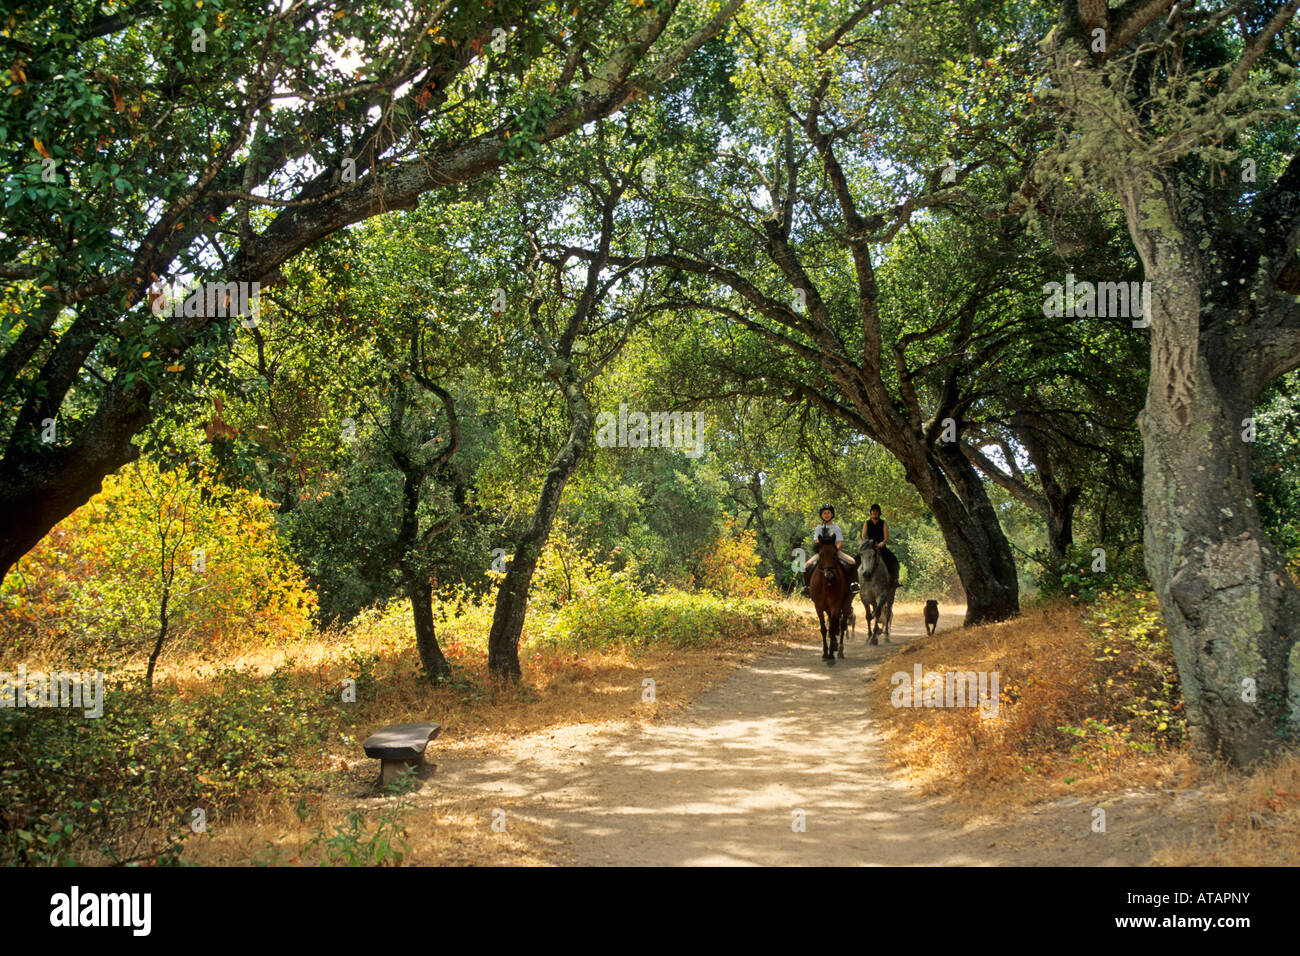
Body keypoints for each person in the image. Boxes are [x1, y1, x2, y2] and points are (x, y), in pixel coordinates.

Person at [802, 504, 858, 596]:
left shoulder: (836, 528)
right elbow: (816, 541)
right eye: (824, 513)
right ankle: (807, 587)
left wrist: (835, 550)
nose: (827, 515)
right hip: (822, 553)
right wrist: (823, 551)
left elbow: (840, 542)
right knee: (806, 565)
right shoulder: (818, 528)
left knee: (852, 561)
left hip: (835, 552)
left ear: (832, 514)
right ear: (821, 515)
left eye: (828, 513)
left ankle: (853, 584)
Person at [861, 503, 898, 587]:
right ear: (870, 513)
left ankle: (895, 579)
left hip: (880, 547)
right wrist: (868, 542)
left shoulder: (883, 523)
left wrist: (882, 543)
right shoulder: (867, 523)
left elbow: (886, 537)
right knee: (858, 559)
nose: (874, 513)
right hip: (870, 547)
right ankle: (856, 581)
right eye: (873, 511)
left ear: (879, 513)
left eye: (876, 511)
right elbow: (863, 536)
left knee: (892, 559)